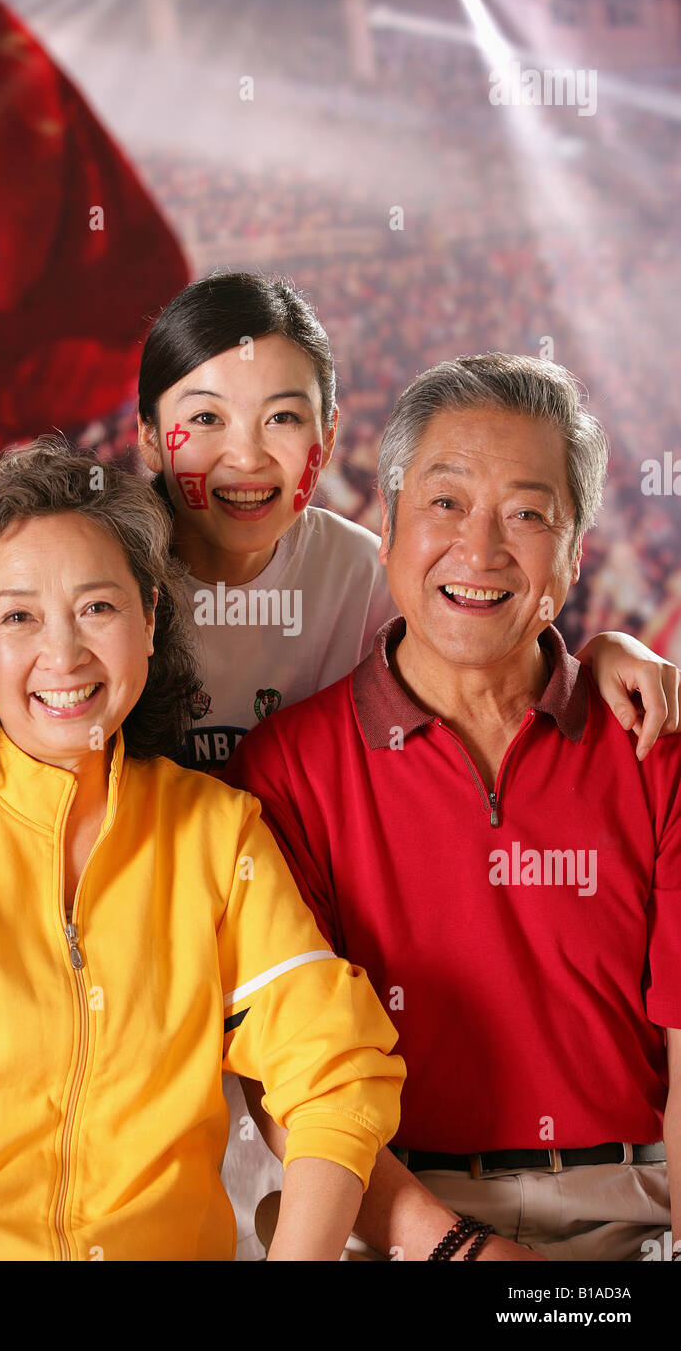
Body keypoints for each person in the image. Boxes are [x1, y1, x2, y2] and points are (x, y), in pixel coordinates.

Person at [0, 274, 681, 1257]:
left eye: (283, 417)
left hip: (271, 1137)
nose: (244, 455)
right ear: (148, 438)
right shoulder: (68, 555)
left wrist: (605, 652)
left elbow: (483, 614)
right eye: (203, 418)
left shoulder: (363, 582)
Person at [0, 436, 409, 1262]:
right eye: (18, 616)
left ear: (152, 617)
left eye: (98, 607)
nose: (63, 656)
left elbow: (335, 1073)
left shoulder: (217, 831)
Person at [224, 353, 681, 1261]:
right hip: (395, 1215)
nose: (481, 551)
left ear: (576, 550)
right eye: (445, 503)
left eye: (527, 513)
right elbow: (295, 1083)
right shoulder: (286, 769)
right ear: (384, 527)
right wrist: (456, 1249)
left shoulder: (651, 749)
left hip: (632, 1214)